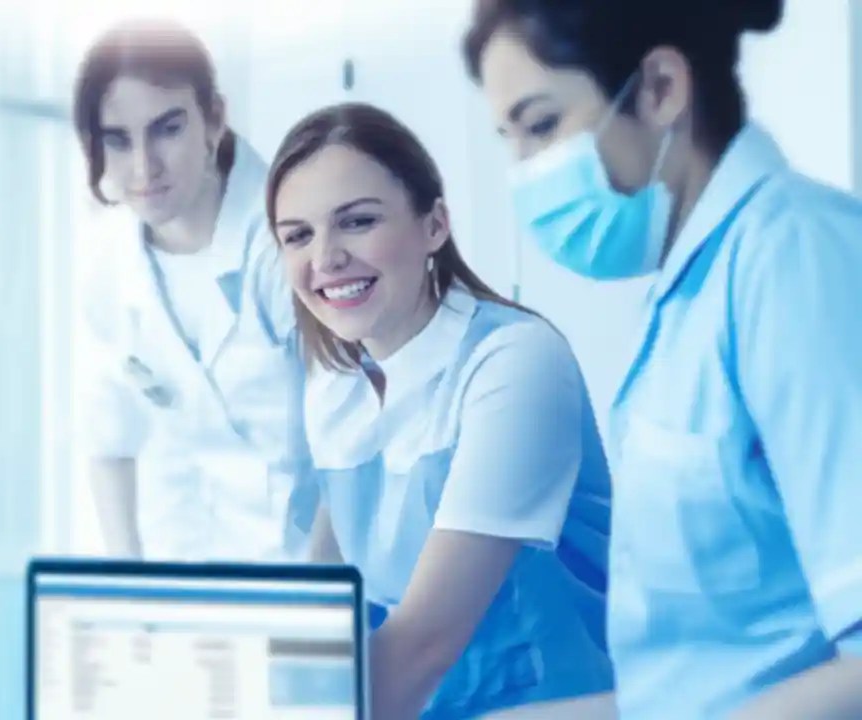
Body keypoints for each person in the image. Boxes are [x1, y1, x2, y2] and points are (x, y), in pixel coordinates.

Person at [464, 0, 862, 717]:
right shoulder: (687, 292)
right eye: (509, 139)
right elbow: (692, 682)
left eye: (543, 126)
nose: (524, 175)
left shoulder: (794, 260)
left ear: (659, 89)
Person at [267, 102, 614, 719]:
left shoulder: (513, 361)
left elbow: (425, 643)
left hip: (554, 704)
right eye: (298, 235)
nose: (326, 258)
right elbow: (317, 602)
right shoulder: (334, 383)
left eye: (357, 221)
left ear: (434, 226)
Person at [71, 19, 315, 561]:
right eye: (117, 140)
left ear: (214, 119)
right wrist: (129, 584)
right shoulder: (108, 262)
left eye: (167, 128)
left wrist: (317, 600)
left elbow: (354, 447)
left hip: (309, 569)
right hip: (183, 577)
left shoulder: (287, 240)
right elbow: (109, 442)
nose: (143, 168)